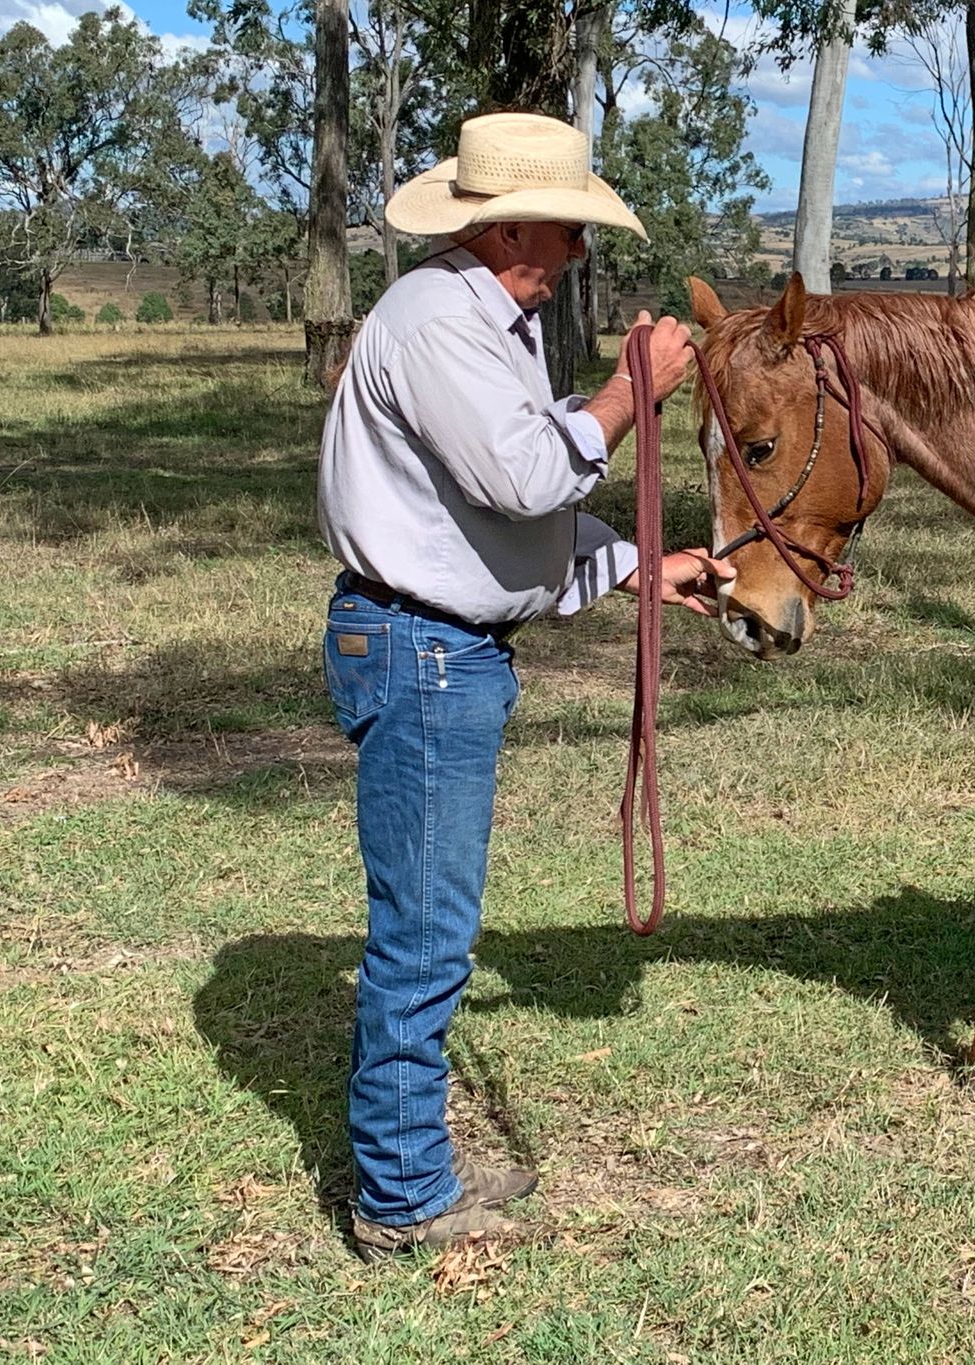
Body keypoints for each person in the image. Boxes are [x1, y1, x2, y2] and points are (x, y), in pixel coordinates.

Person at [315, 111, 731, 1260]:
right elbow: (522, 475)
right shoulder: (440, 321)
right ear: (508, 229)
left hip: (434, 646)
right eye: (568, 230)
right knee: (426, 932)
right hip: (422, 651)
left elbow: (510, 515)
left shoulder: (484, 319)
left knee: (430, 922)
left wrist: (643, 565)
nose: (580, 255)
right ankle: (400, 1198)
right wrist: (628, 393)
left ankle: (409, 1167)